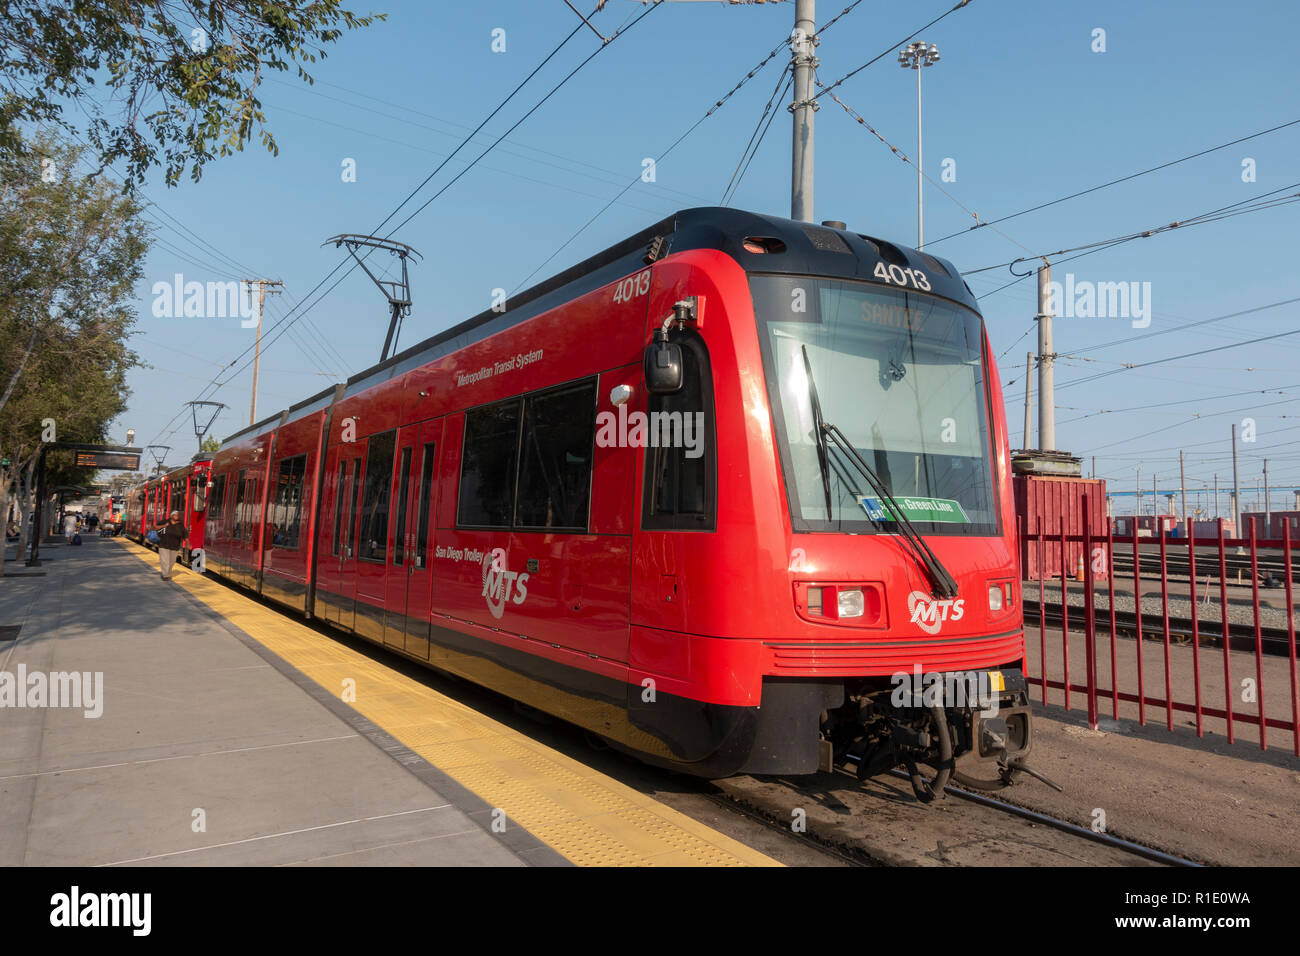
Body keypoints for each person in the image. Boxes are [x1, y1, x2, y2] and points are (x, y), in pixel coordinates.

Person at [152, 511, 189, 581]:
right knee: (165, 561)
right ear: (171, 516)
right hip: (163, 545)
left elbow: (185, 534)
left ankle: (167, 573)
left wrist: (187, 542)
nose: (177, 516)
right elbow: (154, 527)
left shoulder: (180, 525)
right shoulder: (164, 521)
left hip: (175, 546)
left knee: (171, 561)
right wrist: (164, 526)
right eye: (175, 515)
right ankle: (165, 575)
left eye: (177, 515)